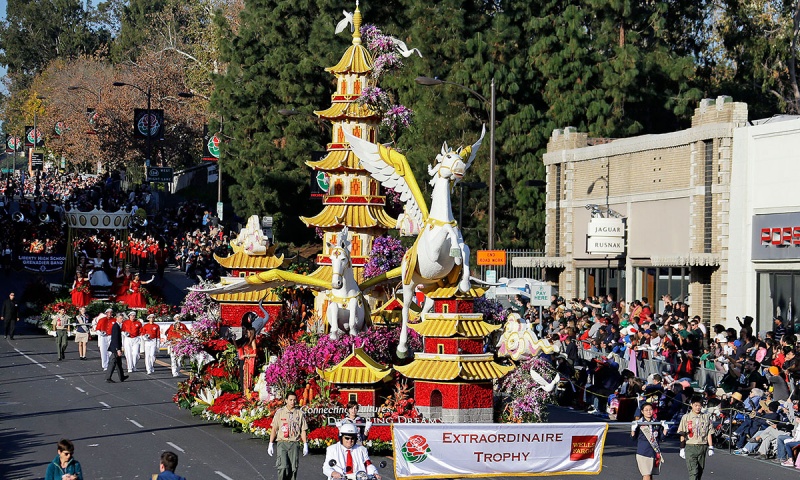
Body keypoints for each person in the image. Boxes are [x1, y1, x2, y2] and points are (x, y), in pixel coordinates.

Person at [268, 392, 309, 480]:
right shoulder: (280, 413)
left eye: (294, 400)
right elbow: (274, 429)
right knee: (282, 467)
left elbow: (303, 430)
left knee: (293, 468)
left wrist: (305, 444)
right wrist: (270, 444)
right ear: (286, 400)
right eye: (290, 400)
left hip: (294, 443)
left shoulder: (299, 413)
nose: (292, 402)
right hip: (282, 443)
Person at [677, 396, 714, 480]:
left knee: (700, 471)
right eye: (696, 405)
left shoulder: (706, 417)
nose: (698, 407)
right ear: (691, 405)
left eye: (700, 405)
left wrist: (711, 447)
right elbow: (682, 433)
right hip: (690, 446)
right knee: (693, 472)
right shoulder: (686, 417)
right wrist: (682, 448)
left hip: (702, 446)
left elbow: (709, 433)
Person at [632, 403, 663, 480]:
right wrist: (633, 429)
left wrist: (665, 429)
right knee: (646, 475)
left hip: (654, 452)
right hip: (643, 452)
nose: (649, 412)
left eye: (650, 410)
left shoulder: (656, 422)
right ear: (642, 412)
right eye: (646, 410)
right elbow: (633, 438)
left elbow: (661, 437)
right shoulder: (639, 423)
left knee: (651, 475)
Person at [105, 313, 128, 383]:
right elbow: (115, 338)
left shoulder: (118, 326)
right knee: (112, 362)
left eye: (122, 318)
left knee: (118, 363)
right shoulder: (116, 326)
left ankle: (122, 376)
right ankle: (108, 378)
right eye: (121, 318)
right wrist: (118, 349)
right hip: (115, 347)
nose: (122, 320)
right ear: (117, 318)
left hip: (117, 347)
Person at [238, 327, 258, 397]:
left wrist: (246, 355)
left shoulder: (253, 341)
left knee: (249, 376)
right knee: (245, 376)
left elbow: (255, 354)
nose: (246, 333)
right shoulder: (246, 341)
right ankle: (245, 393)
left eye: (248, 332)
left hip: (250, 361)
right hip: (246, 360)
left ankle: (248, 392)